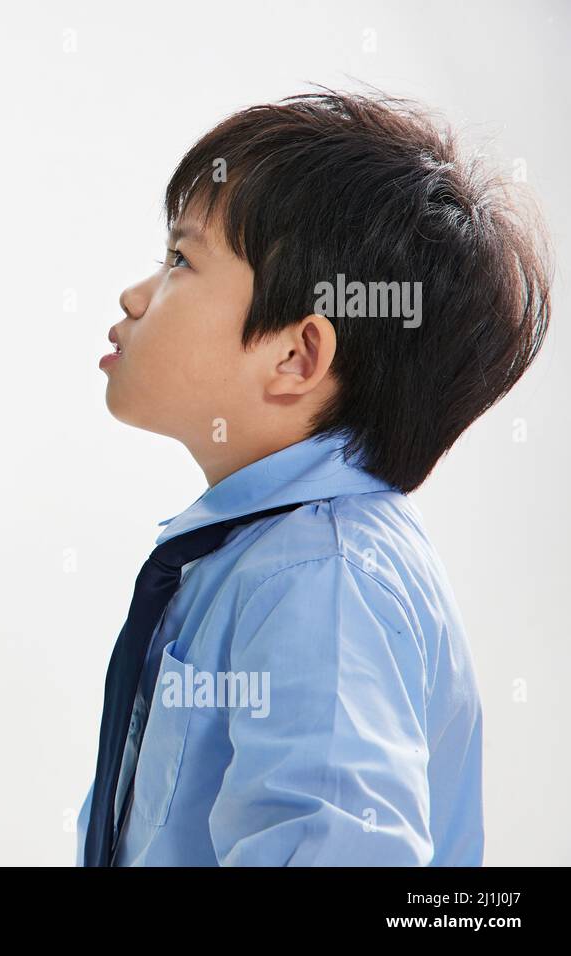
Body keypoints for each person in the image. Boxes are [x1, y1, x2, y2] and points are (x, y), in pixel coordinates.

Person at [80, 89, 551, 866]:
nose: (135, 295)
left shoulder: (323, 580)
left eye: (179, 261)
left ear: (295, 358)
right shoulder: (264, 554)